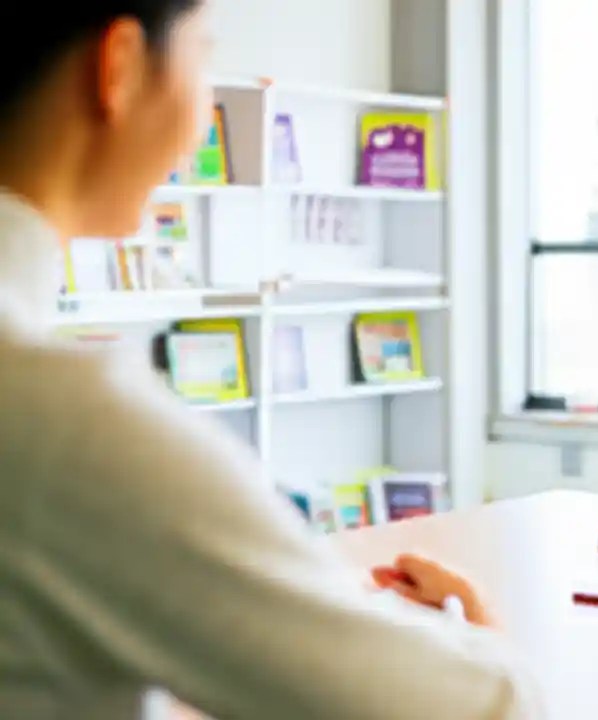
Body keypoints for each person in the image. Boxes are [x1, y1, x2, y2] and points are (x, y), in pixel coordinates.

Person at [0, 2, 538, 718]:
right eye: (203, 55)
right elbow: (485, 709)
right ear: (119, 67)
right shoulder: (71, 424)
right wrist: (473, 631)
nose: (203, 121)